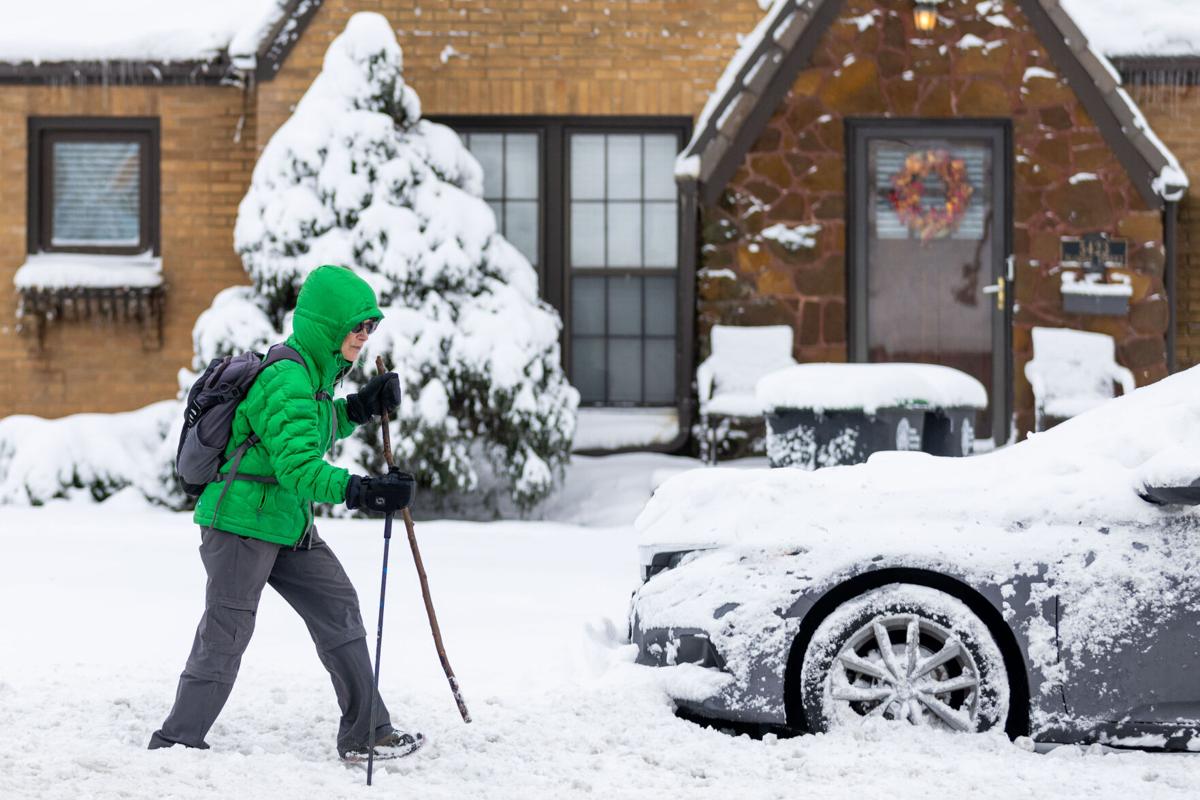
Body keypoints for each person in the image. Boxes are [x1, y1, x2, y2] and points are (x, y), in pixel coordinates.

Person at [149, 264, 422, 761]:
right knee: (227, 632)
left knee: (337, 606)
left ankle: (367, 732)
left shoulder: (311, 376)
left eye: (370, 327)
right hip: (239, 525)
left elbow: (305, 429)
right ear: (327, 325)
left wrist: (358, 408)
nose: (364, 336)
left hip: (284, 522)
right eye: (356, 325)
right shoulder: (289, 378)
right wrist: (364, 491)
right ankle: (176, 741)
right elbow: (298, 467)